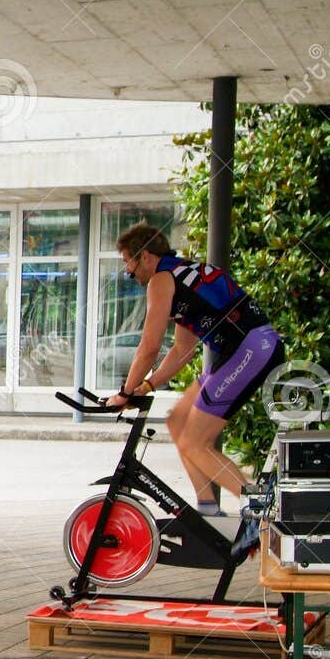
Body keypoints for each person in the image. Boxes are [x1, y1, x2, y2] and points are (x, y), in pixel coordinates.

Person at [105, 222, 285, 519]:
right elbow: (182, 350)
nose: (128, 271)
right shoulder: (181, 273)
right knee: (178, 421)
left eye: (128, 262)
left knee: (194, 441)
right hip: (249, 347)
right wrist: (147, 386)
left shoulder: (161, 280)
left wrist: (124, 393)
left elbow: (148, 347)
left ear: (146, 257)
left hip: (249, 349)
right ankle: (209, 514)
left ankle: (261, 509)